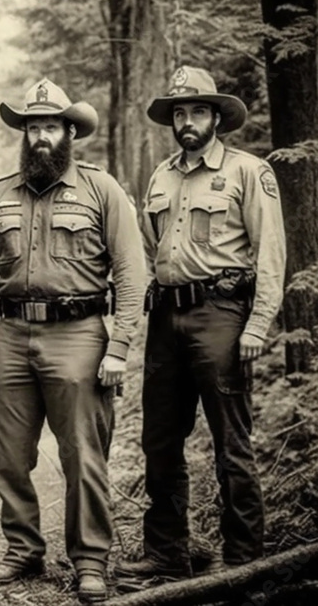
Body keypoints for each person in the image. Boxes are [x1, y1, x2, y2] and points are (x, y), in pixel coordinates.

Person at [0, 79, 145, 602]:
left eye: (50, 126)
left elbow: (131, 273)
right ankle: (22, 550)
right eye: (33, 126)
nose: (41, 135)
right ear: (24, 133)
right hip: (11, 336)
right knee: (9, 455)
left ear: (68, 133)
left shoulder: (102, 191)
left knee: (83, 454)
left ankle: (90, 560)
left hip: (80, 335)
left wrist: (120, 346)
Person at [118, 66, 286, 581]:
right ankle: (167, 552)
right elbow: (150, 248)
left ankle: (243, 559)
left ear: (216, 117)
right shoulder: (161, 175)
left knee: (230, 440)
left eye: (197, 111)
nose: (187, 121)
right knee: (160, 440)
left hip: (222, 316)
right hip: (166, 317)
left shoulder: (247, 172)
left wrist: (257, 325)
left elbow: (272, 254)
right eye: (179, 113)